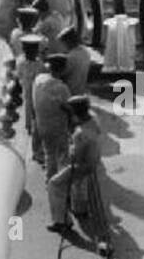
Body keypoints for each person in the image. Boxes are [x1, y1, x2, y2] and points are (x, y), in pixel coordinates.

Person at [48, 95, 112, 241]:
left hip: (82, 165)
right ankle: (80, 209)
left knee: (55, 185)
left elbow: (75, 156)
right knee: (79, 185)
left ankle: (61, 221)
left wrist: (70, 150)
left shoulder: (80, 134)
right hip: (94, 162)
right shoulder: (93, 119)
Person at [33, 53, 72, 185]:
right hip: (57, 127)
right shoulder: (62, 88)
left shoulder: (39, 79)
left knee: (49, 154)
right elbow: (69, 107)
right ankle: (56, 183)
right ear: (63, 69)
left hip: (42, 124)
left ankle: (49, 180)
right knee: (62, 155)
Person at [17, 35, 46, 164]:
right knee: (32, 110)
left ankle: (30, 126)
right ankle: (32, 131)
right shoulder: (40, 64)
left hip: (29, 90)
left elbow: (19, 75)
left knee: (29, 108)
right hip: (34, 91)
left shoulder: (20, 61)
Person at [55, 26, 92, 95]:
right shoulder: (86, 52)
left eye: (64, 43)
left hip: (70, 91)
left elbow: (61, 74)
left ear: (68, 41)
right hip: (81, 89)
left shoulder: (71, 57)